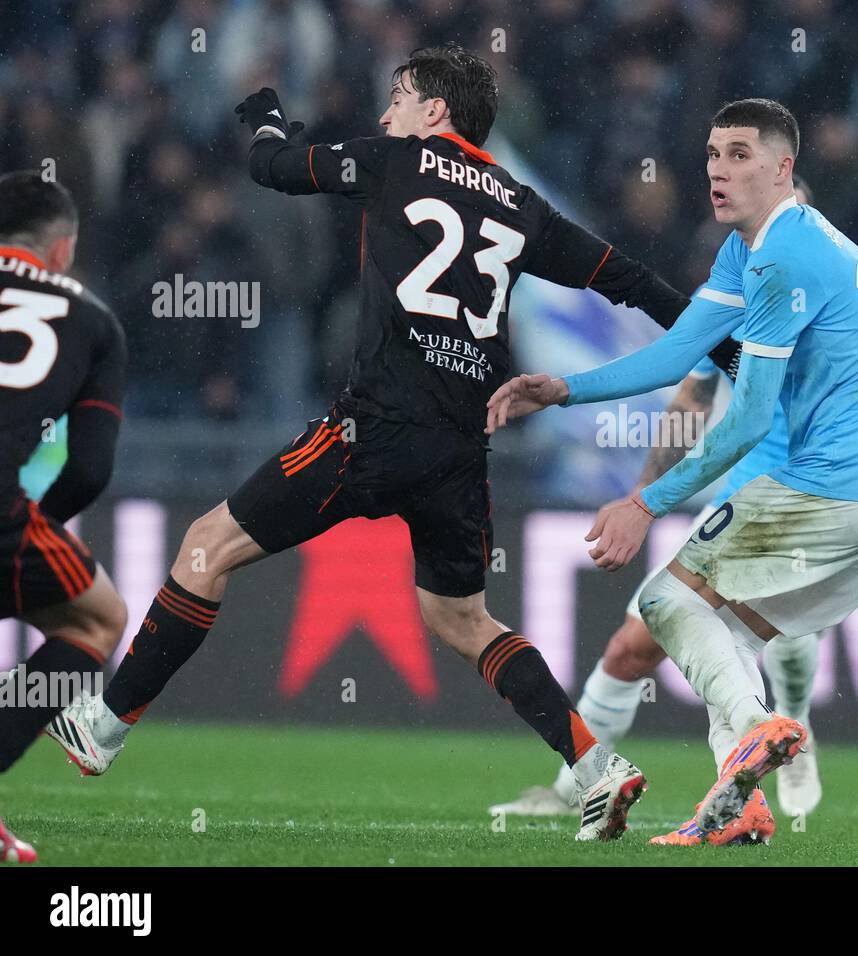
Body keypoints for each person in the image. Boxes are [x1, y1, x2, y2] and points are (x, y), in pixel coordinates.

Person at [46, 44, 733, 843]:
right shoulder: (521, 204)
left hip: (371, 427)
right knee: (462, 618)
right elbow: (631, 280)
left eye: (400, 98)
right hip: (458, 447)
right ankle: (594, 765)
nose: (385, 113)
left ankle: (105, 725)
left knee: (206, 545)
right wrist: (723, 344)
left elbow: (273, 167)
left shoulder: (394, 162)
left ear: (434, 112)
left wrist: (264, 114)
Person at [486, 98, 858, 835]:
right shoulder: (754, 252)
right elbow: (677, 359)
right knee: (719, 635)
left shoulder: (783, 260)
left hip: (836, 485)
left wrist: (647, 503)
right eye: (712, 154)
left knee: (671, 605)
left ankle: (766, 728)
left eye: (739, 156)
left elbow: (751, 417)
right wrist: (566, 389)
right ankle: (741, 805)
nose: (717, 171)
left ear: (784, 169)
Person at [490, 178, 825, 848]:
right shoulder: (731, 300)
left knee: (701, 633)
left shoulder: (827, 304)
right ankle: (599, 788)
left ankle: (767, 753)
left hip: (803, 503)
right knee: (635, 646)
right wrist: (640, 496)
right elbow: (689, 405)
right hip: (743, 504)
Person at [0, 171, 129, 862]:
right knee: (97, 618)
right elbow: (88, 469)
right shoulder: (93, 321)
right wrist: (30, 523)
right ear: (61, 250)